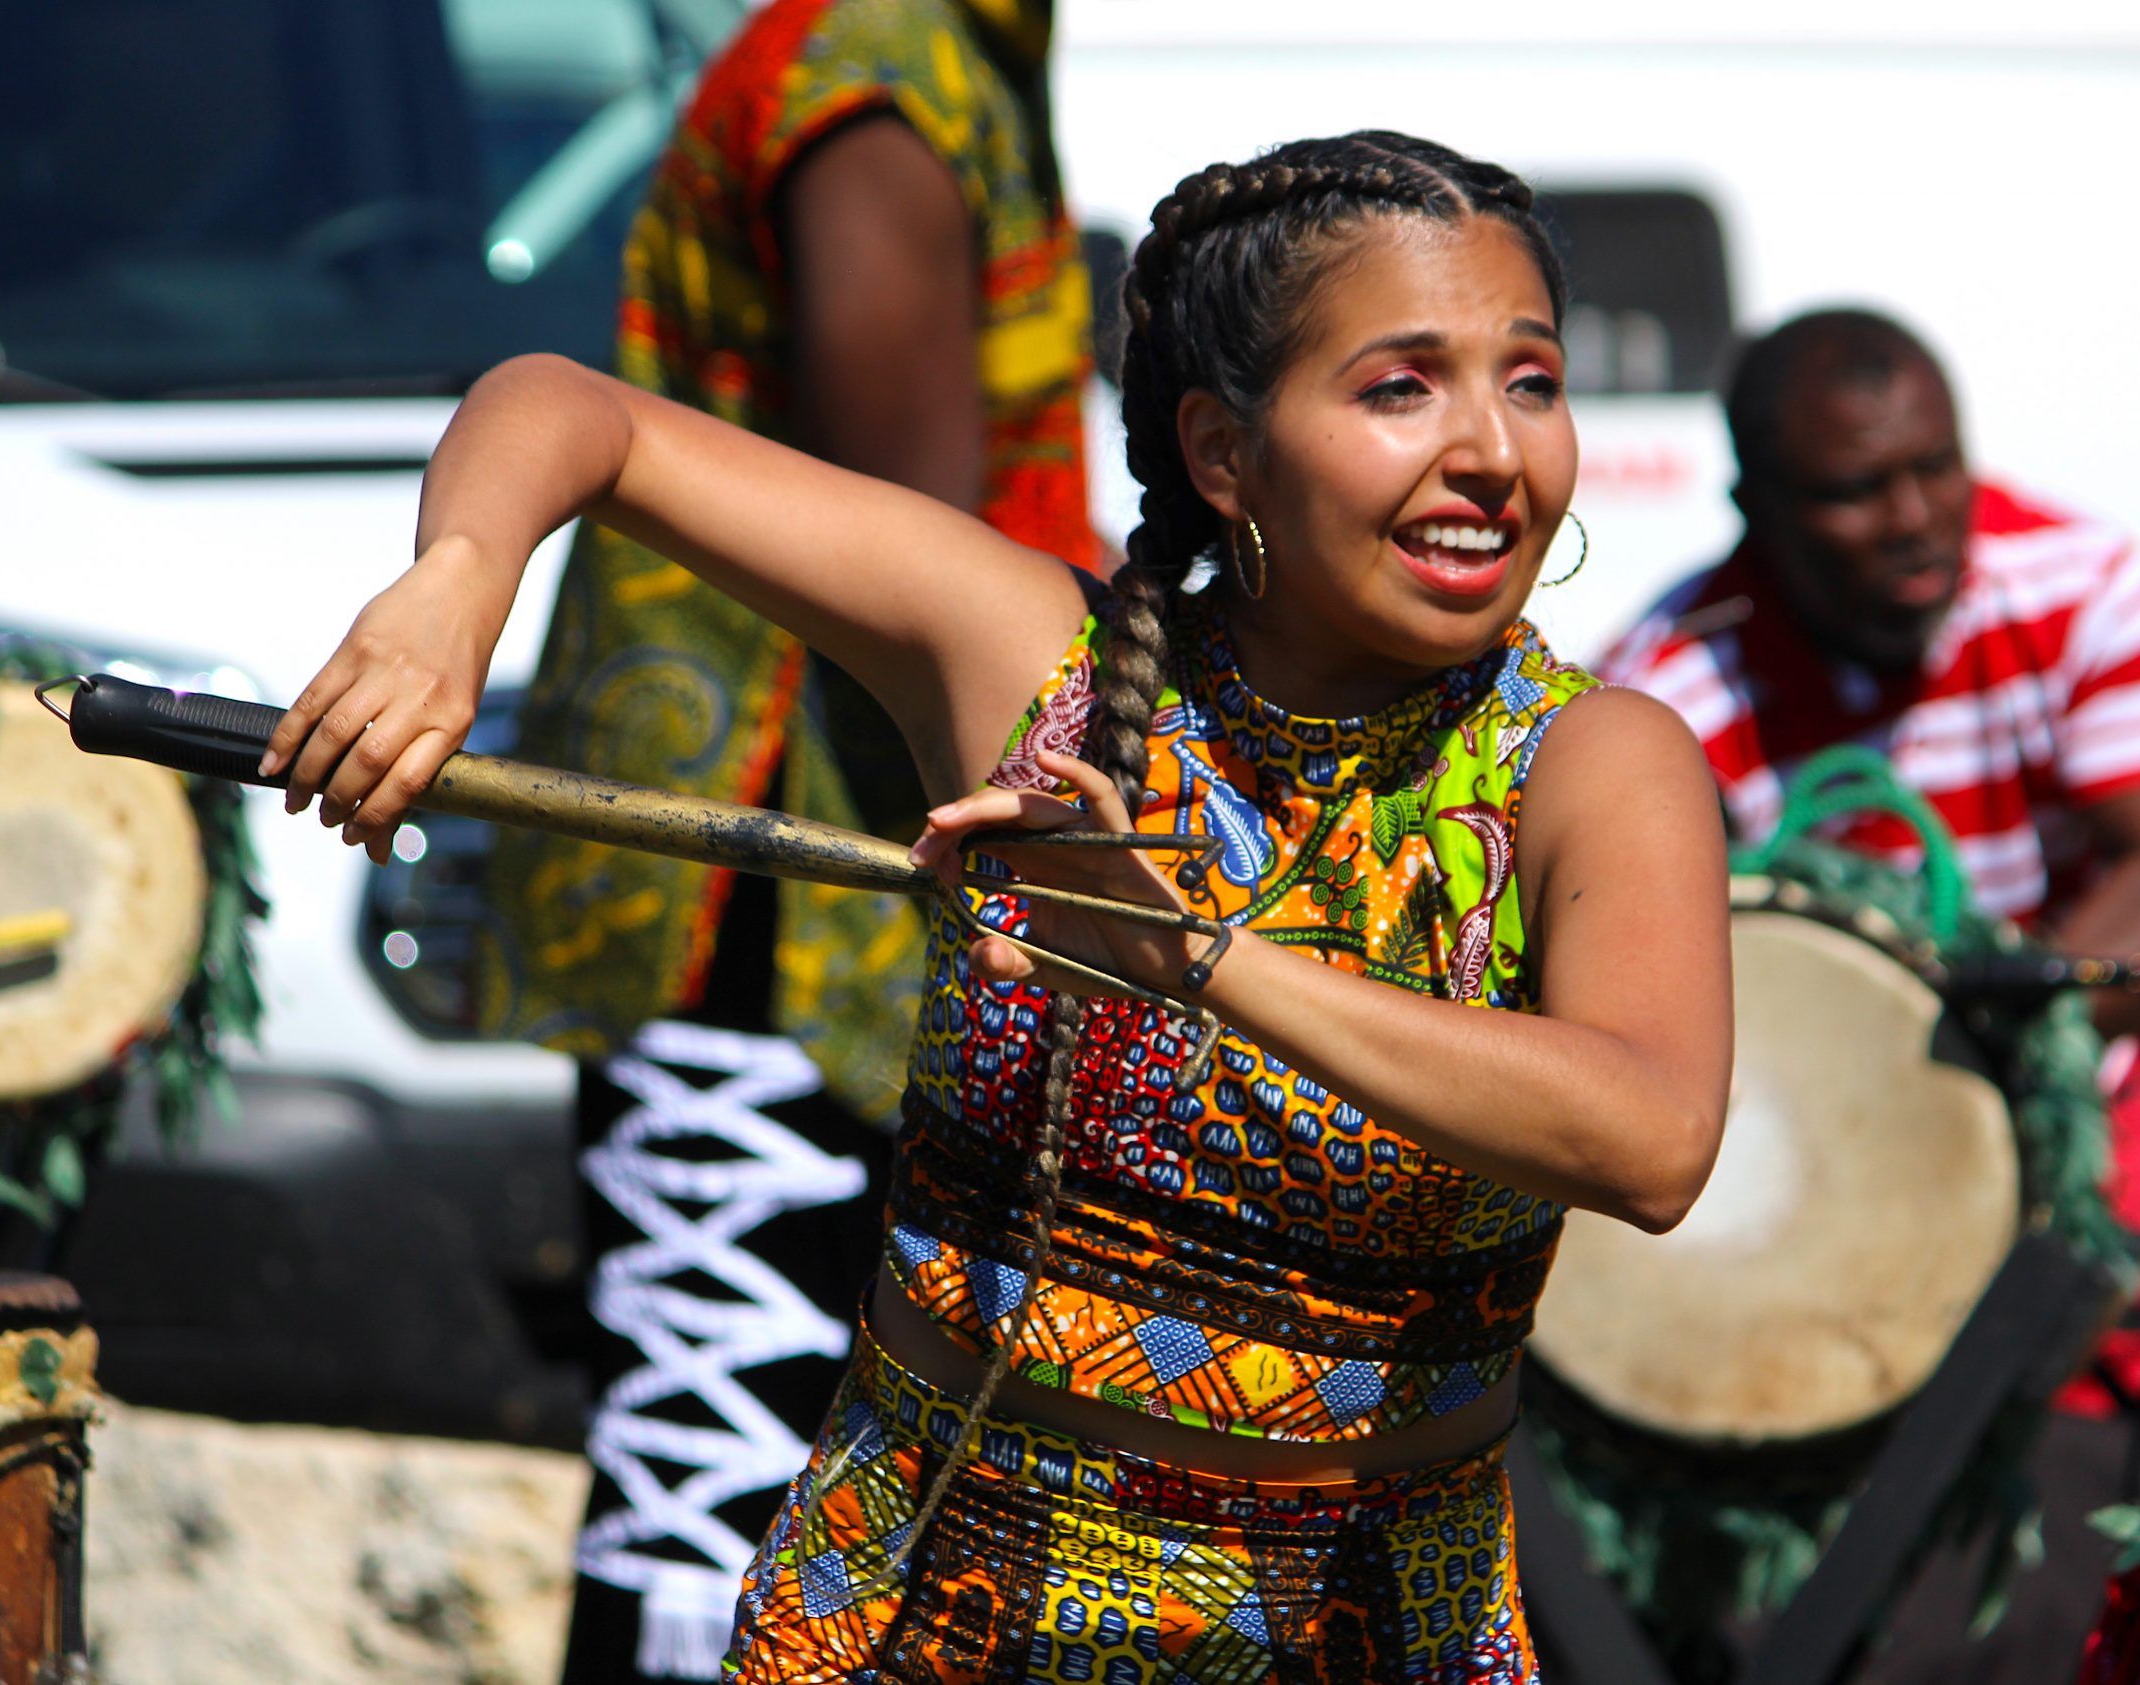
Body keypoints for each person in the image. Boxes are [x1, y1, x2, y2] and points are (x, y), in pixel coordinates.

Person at [260, 131, 1734, 1682]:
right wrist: (456, 588)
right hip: (918, 1609)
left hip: (1351, 1631)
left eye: (1531, 381)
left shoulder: (1591, 764)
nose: (1494, 451)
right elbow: (570, 413)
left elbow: (1649, 1136)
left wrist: (1201, 962)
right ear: (1223, 453)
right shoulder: (1035, 664)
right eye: (1400, 388)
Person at [472, 1, 1101, 1673]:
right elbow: (924, 531)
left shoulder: (946, 57)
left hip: (839, 824)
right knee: (723, 1468)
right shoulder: (876, 79)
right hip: (771, 850)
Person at [1596, 307, 2140, 1682]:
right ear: (1754, 507)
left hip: (2084, 1126)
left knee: (2139, 1537)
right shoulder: (1664, 686)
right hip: (1807, 1179)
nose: (1912, 517)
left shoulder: (2076, 577)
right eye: (1853, 489)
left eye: (1934, 470)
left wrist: (1966, 1061)